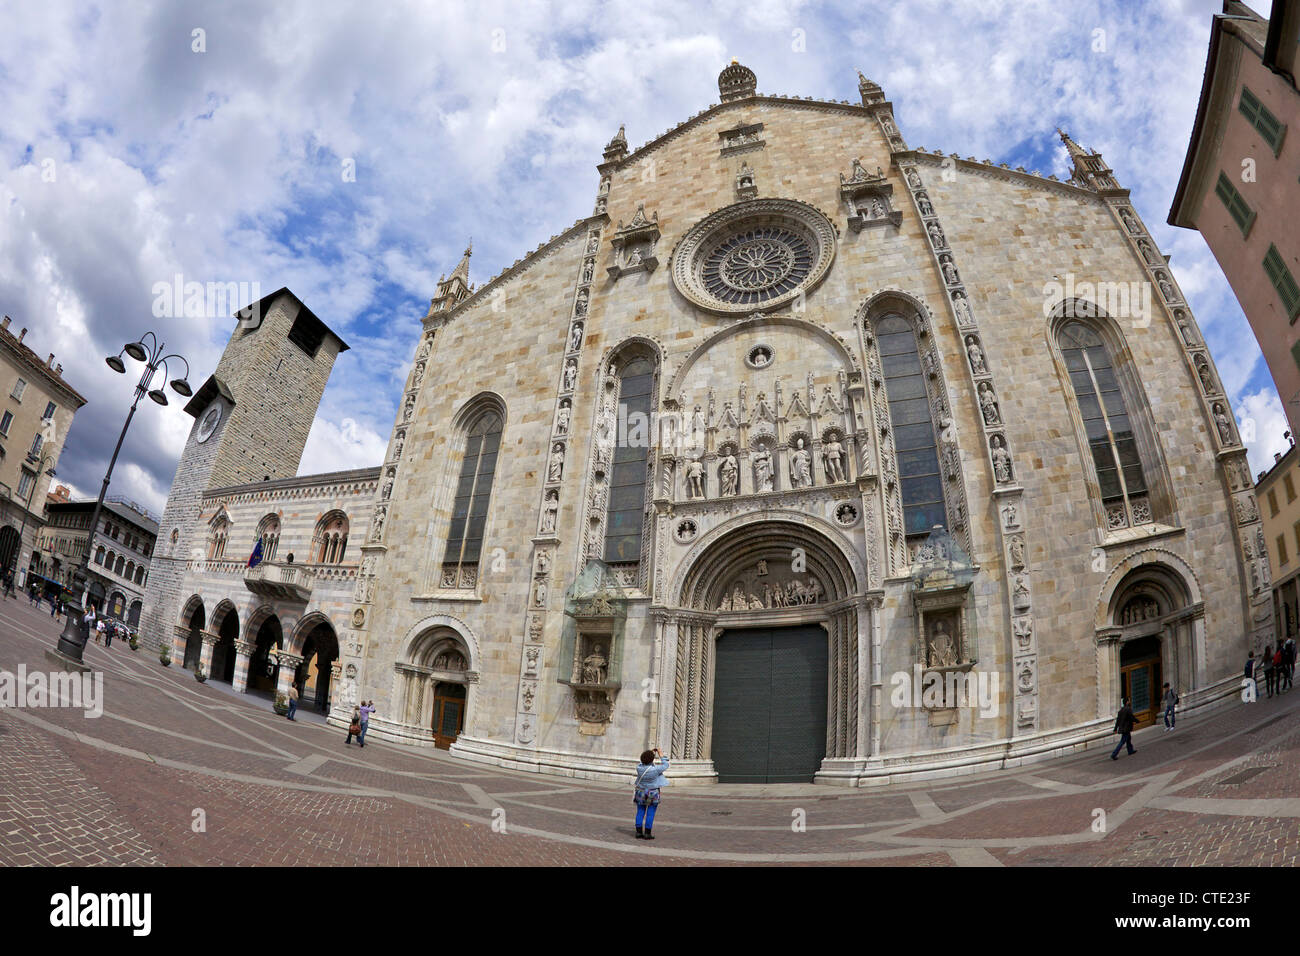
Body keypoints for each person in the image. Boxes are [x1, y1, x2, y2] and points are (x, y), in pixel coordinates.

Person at [633, 747, 670, 839]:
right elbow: (666, 765)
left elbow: (643, 762)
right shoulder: (656, 769)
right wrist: (660, 754)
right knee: (650, 813)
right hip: (653, 793)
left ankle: (638, 832)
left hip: (640, 792)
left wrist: (650, 753)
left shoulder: (639, 768)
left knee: (640, 812)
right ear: (652, 760)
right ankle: (647, 833)